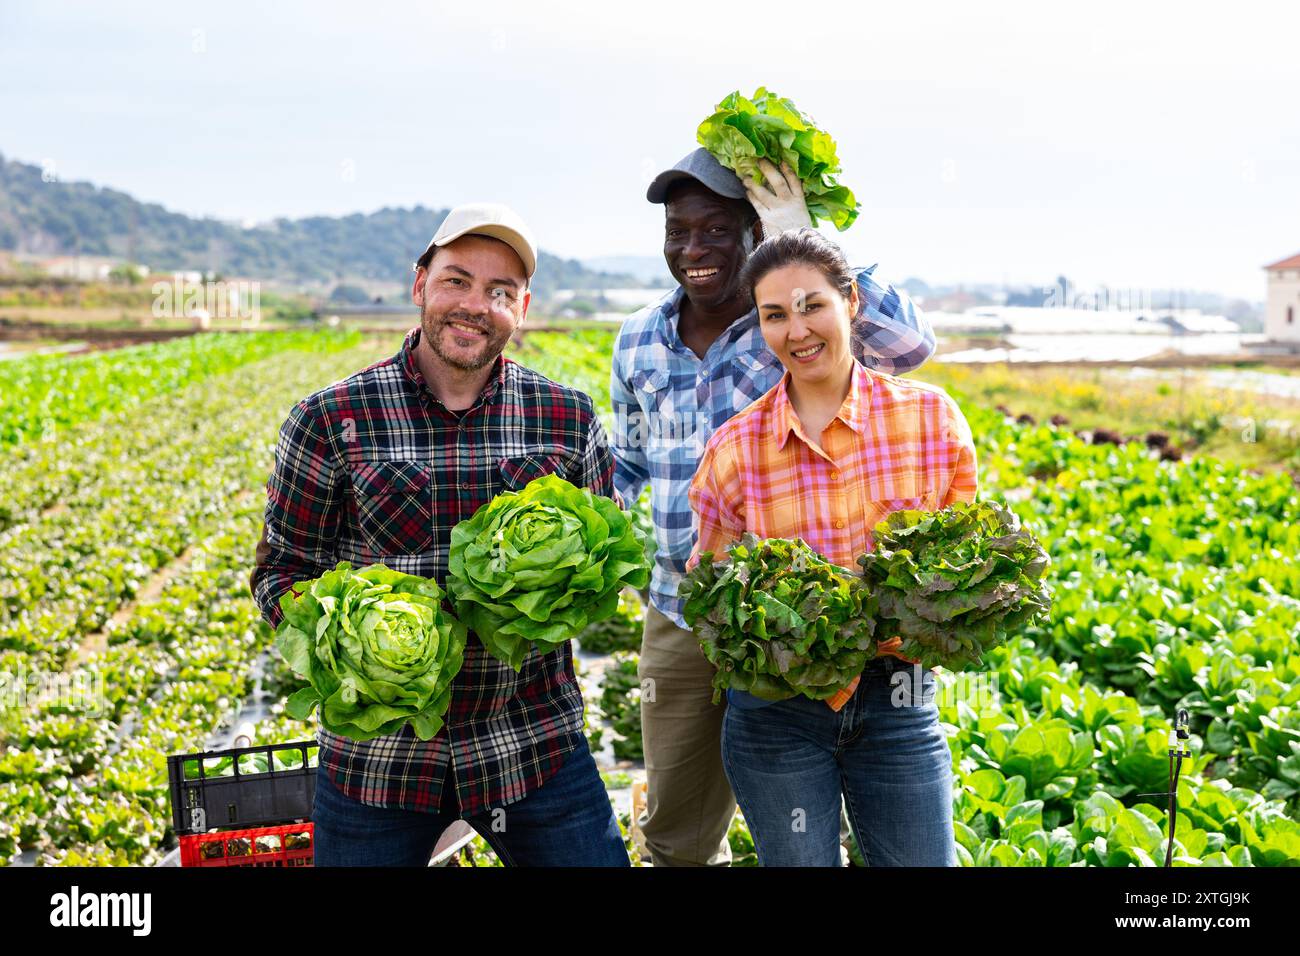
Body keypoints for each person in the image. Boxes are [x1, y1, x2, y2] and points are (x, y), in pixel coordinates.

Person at [250, 203, 628, 867]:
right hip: (381, 760)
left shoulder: (566, 417)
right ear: (419, 283)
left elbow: (604, 567)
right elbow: (281, 570)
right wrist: (345, 646)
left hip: (531, 744)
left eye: (499, 292)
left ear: (523, 307)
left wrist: (551, 599)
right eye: (457, 281)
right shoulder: (332, 419)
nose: (475, 306)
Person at [610, 148, 937, 866]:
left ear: (755, 232)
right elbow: (626, 462)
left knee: (832, 815)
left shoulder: (793, 324)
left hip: (809, 623)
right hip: (679, 610)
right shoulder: (638, 339)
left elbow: (911, 346)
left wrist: (805, 231)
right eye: (679, 231)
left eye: (718, 230)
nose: (694, 249)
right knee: (677, 827)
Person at [687, 228, 977, 866]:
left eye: (812, 304)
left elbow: (966, 564)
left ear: (851, 301)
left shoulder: (931, 421)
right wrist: (775, 639)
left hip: (899, 700)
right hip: (777, 715)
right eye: (775, 315)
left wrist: (936, 621)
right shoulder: (735, 450)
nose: (797, 330)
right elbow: (708, 594)